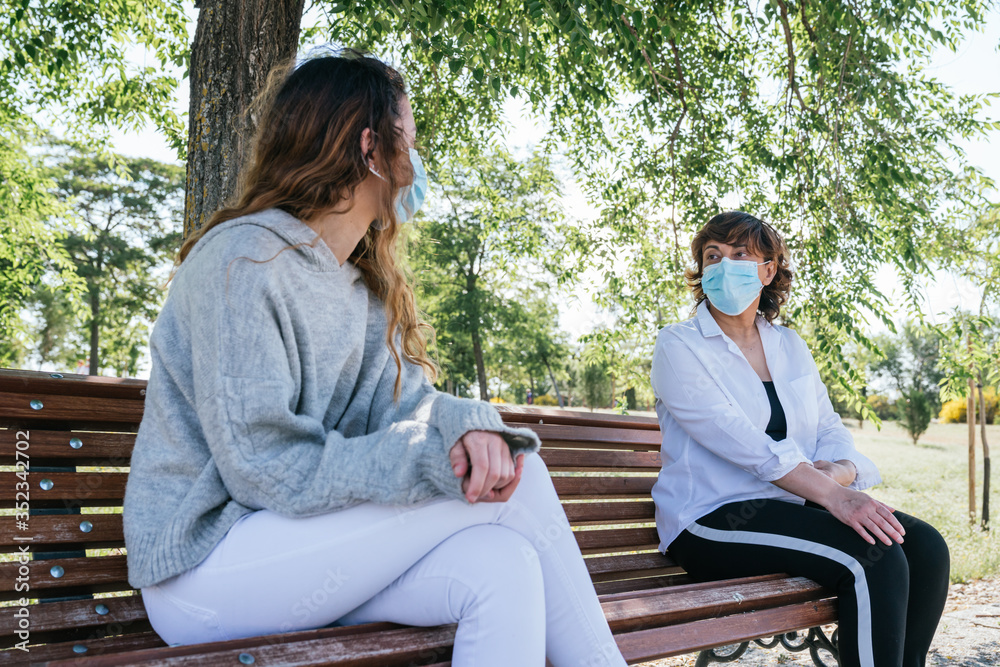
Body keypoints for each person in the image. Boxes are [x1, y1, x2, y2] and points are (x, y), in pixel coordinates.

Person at [122, 49, 627, 667]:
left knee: (504, 566)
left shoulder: (360, 289)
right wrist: (439, 461)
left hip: (306, 552)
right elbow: (261, 466)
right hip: (204, 571)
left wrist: (465, 421)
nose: (415, 165)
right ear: (370, 149)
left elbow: (411, 409)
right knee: (519, 482)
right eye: (409, 143)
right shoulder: (242, 263)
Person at [648, 211, 949, 667]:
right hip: (712, 519)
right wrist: (835, 497)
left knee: (925, 547)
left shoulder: (789, 345)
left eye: (740, 255)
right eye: (714, 256)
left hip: (787, 508)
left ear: (768, 270)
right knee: (871, 556)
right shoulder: (678, 346)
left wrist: (843, 471)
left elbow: (827, 427)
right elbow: (744, 444)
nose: (724, 265)